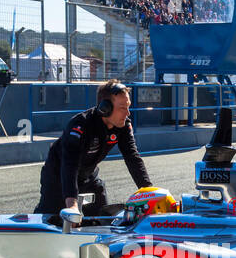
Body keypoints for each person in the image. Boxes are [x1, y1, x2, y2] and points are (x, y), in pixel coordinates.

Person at [34, 79, 152, 219]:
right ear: (105, 108)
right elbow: (69, 165)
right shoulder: (80, 125)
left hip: (88, 177)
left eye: (128, 107)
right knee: (50, 220)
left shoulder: (123, 125)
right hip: (58, 176)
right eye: (122, 108)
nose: (128, 113)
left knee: (103, 219)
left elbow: (132, 158)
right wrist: (72, 204)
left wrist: (150, 193)